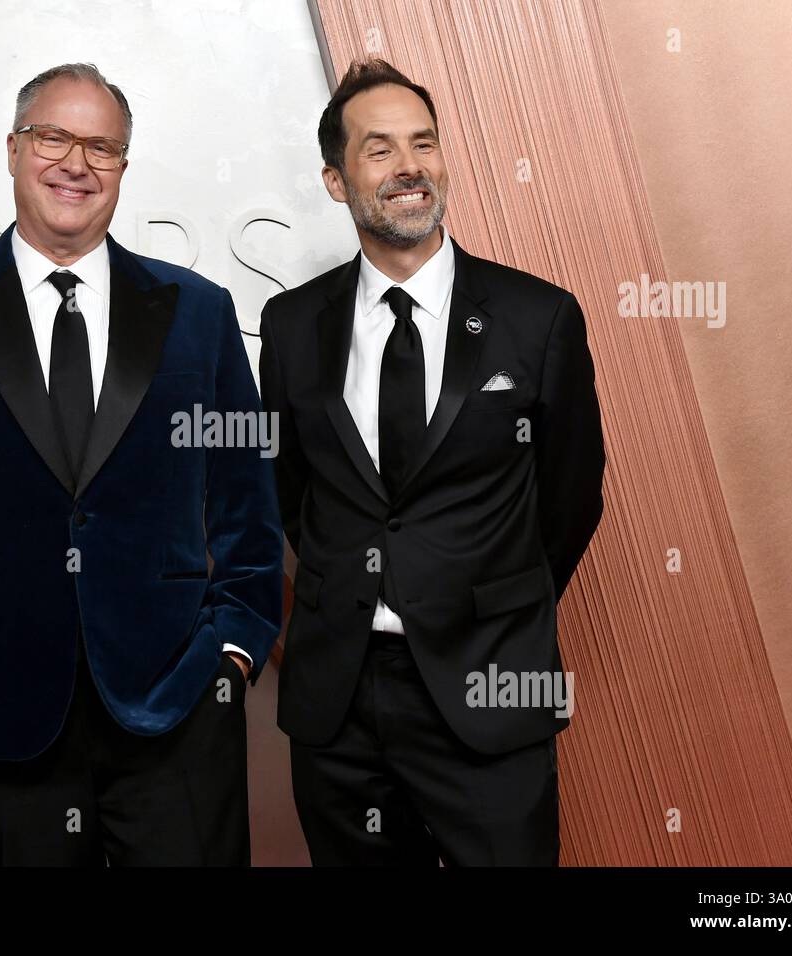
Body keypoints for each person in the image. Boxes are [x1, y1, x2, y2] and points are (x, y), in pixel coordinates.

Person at [0, 63, 283, 866]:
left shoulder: (198, 312)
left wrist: (232, 655)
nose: (76, 163)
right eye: (54, 137)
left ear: (122, 166)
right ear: (13, 149)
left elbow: (249, 508)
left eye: (102, 147)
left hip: (177, 704)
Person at [259, 58, 605, 865]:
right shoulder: (290, 325)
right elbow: (288, 492)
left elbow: (570, 497)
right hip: (338, 701)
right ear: (337, 181)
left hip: (490, 684)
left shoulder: (538, 316)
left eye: (425, 143)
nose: (409, 166)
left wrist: (489, 599)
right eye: (379, 150)